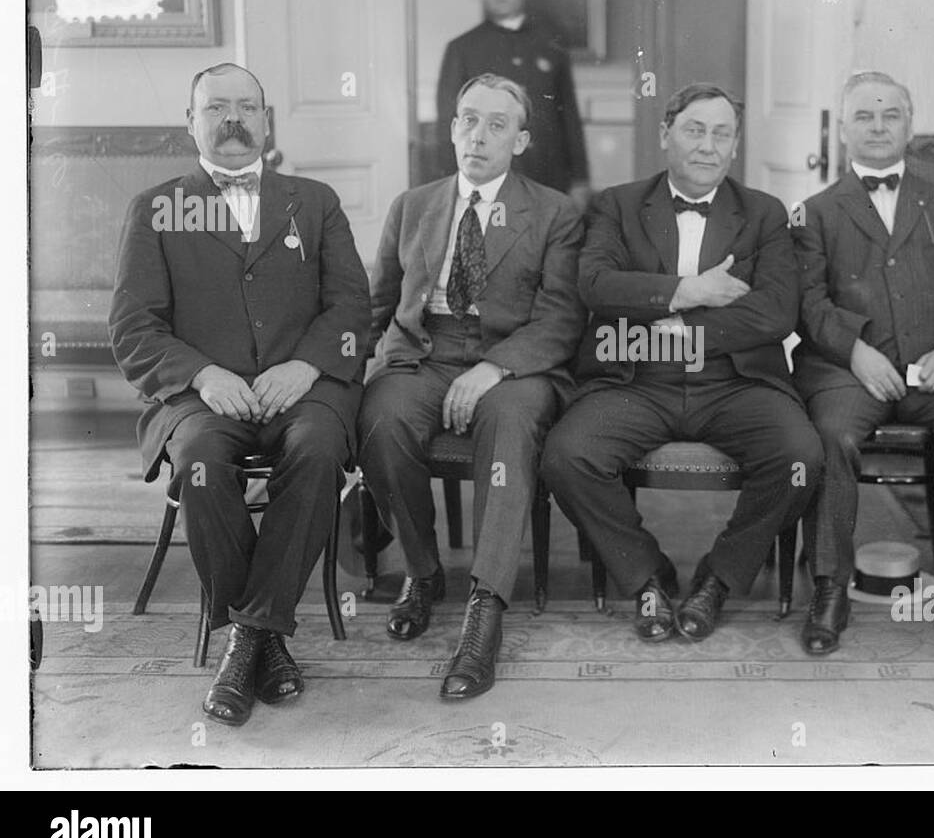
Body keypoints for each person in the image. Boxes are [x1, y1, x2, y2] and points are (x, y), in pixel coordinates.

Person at [109, 62, 371, 727]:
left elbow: (350, 309)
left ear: (265, 119)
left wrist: (305, 367)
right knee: (199, 456)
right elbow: (134, 326)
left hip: (301, 392)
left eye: (246, 107)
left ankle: (246, 636)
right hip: (203, 397)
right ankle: (268, 641)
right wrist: (203, 375)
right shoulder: (155, 208)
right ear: (189, 122)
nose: (232, 120)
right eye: (216, 107)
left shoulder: (315, 202)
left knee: (316, 449)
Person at [541, 83, 824, 644]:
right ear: (666, 134)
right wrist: (687, 289)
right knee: (567, 455)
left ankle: (718, 580)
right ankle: (647, 575)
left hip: (735, 379)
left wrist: (685, 332)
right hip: (637, 378)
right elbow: (597, 286)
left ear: (736, 145)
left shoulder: (765, 213)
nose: (707, 147)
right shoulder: (617, 204)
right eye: (695, 130)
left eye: (722, 135)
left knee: (800, 456)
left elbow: (775, 313)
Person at [358, 73, 584, 701]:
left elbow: (563, 316)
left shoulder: (555, 212)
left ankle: (485, 607)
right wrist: (338, 370)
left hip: (513, 362)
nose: (477, 136)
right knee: (379, 418)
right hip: (426, 354)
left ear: (522, 140)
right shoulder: (414, 205)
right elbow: (377, 304)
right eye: (467, 120)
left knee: (509, 423)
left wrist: (495, 368)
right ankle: (424, 574)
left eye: (496, 124)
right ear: (452, 127)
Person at [793, 71, 934, 661]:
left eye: (889, 115)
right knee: (830, 434)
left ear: (909, 124)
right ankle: (828, 589)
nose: (877, 126)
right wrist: (854, 351)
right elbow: (808, 302)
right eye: (864, 117)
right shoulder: (814, 212)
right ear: (842, 128)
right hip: (850, 370)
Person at [435, 0, 589, 205]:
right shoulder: (462, 49)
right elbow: (448, 126)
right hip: (487, 178)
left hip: (548, 176)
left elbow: (569, 118)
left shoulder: (551, 47)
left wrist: (581, 180)